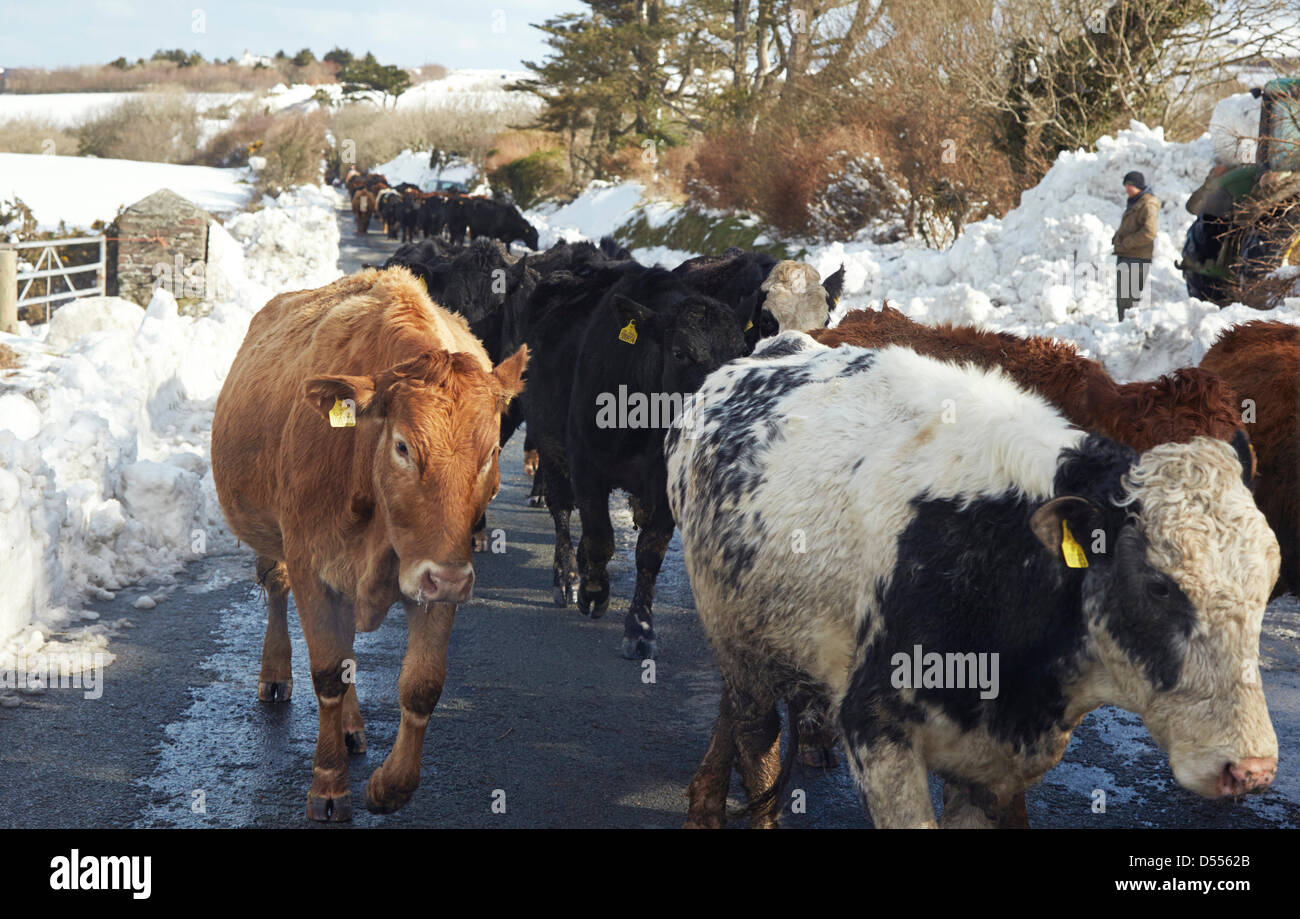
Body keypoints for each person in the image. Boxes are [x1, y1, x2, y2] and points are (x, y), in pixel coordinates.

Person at [1111, 170, 1160, 320]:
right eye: (1125, 185)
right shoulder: (1135, 202)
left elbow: (1149, 232)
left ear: (1138, 185)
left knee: (1127, 300)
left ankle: (1125, 329)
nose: (1127, 189)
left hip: (1136, 258)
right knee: (1123, 299)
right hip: (1127, 255)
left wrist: (1126, 243)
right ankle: (1123, 327)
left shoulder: (1147, 204)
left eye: (1130, 185)